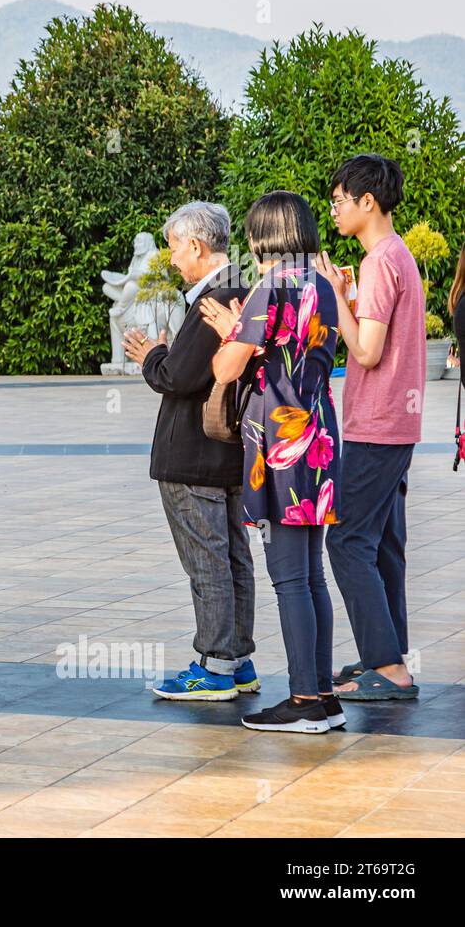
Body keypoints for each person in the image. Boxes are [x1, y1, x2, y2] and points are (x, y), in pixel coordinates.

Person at [200, 191, 344, 733]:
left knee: (288, 577)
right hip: (319, 437)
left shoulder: (272, 285)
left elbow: (225, 367)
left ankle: (304, 701)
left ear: (265, 234)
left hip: (281, 448)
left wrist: (228, 333)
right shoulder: (322, 287)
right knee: (312, 575)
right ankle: (323, 694)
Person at [123, 202, 258, 700]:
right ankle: (238, 660)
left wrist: (151, 355)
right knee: (230, 557)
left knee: (208, 560)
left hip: (194, 456)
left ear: (197, 246)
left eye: (176, 247)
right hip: (226, 455)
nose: (173, 258)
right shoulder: (238, 293)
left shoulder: (212, 301)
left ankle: (217, 664)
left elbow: (179, 376)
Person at [315, 154, 423, 701]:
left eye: (339, 200)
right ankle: (388, 656)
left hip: (376, 424)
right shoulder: (398, 255)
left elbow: (368, 350)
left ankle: (389, 667)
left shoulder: (382, 260)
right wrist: (350, 295)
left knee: (347, 542)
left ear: (367, 202)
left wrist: (336, 299)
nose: (333, 209)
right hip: (396, 423)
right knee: (383, 546)